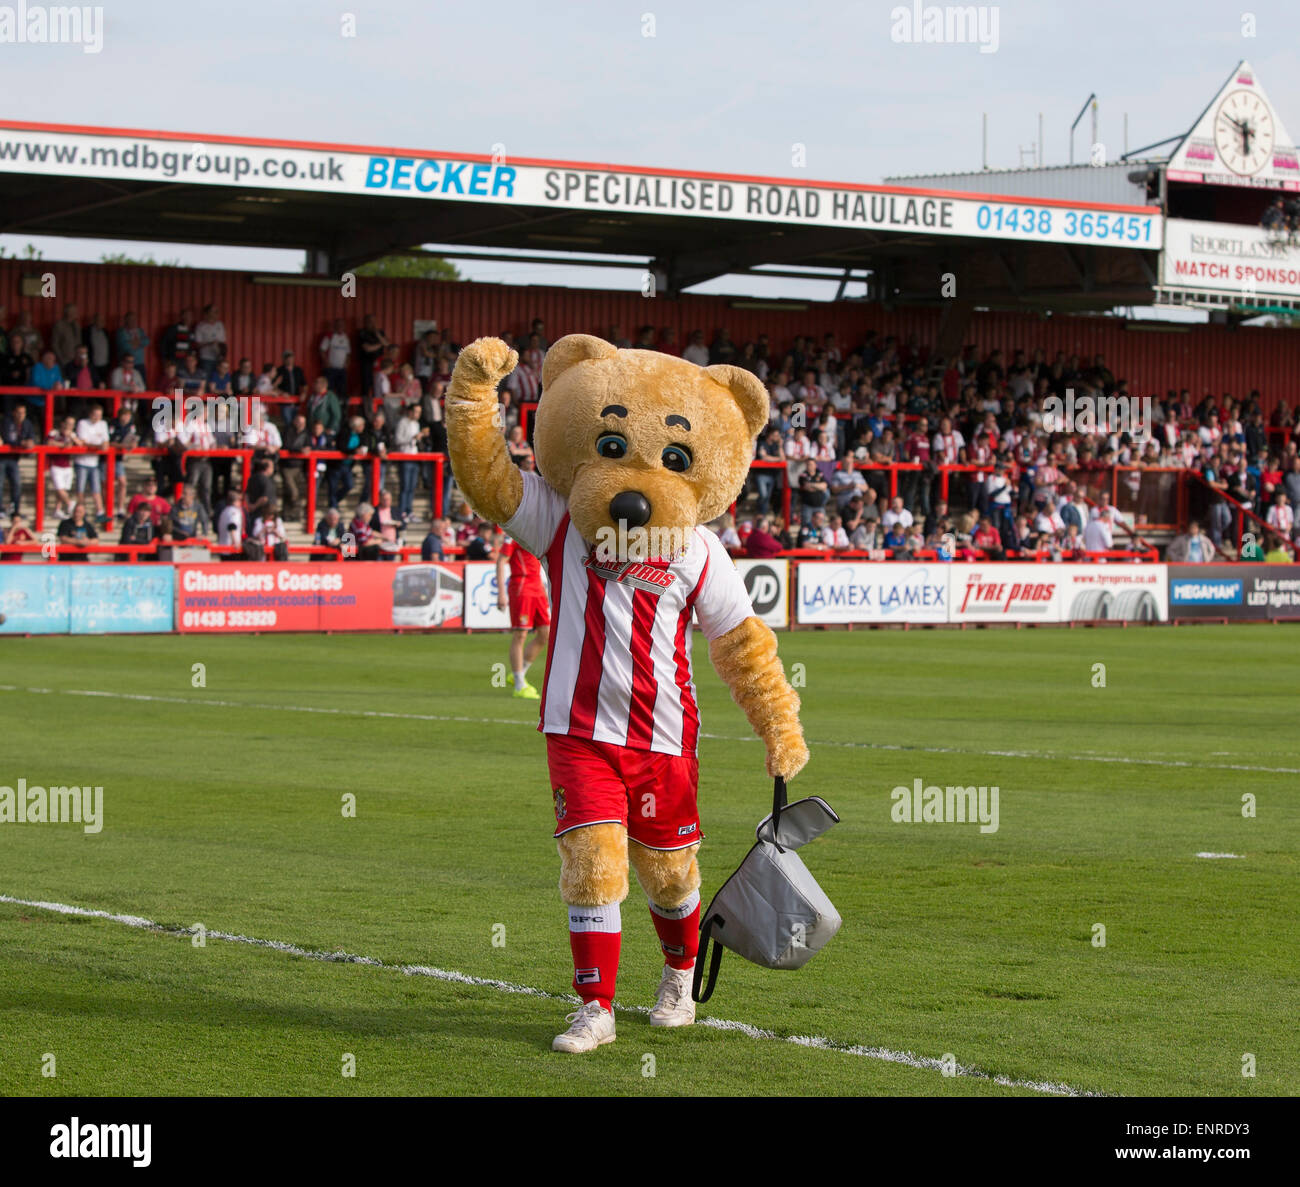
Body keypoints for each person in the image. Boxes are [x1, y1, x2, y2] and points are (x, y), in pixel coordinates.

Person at [496, 533, 551, 698]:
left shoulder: (533, 528)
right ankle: (520, 684)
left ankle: (519, 673)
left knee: (545, 634)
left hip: (537, 585)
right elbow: (501, 561)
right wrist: (501, 594)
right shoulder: (513, 533)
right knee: (520, 634)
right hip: (522, 585)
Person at [73, 403, 110, 518]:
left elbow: (106, 441)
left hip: (94, 462)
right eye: (95, 415)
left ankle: (100, 512)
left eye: (99, 415)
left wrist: (103, 444)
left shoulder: (103, 424)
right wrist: (99, 446)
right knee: (80, 488)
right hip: (81, 462)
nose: (97, 418)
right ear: (90, 414)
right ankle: (80, 512)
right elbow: (83, 442)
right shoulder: (82, 423)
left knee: (96, 488)